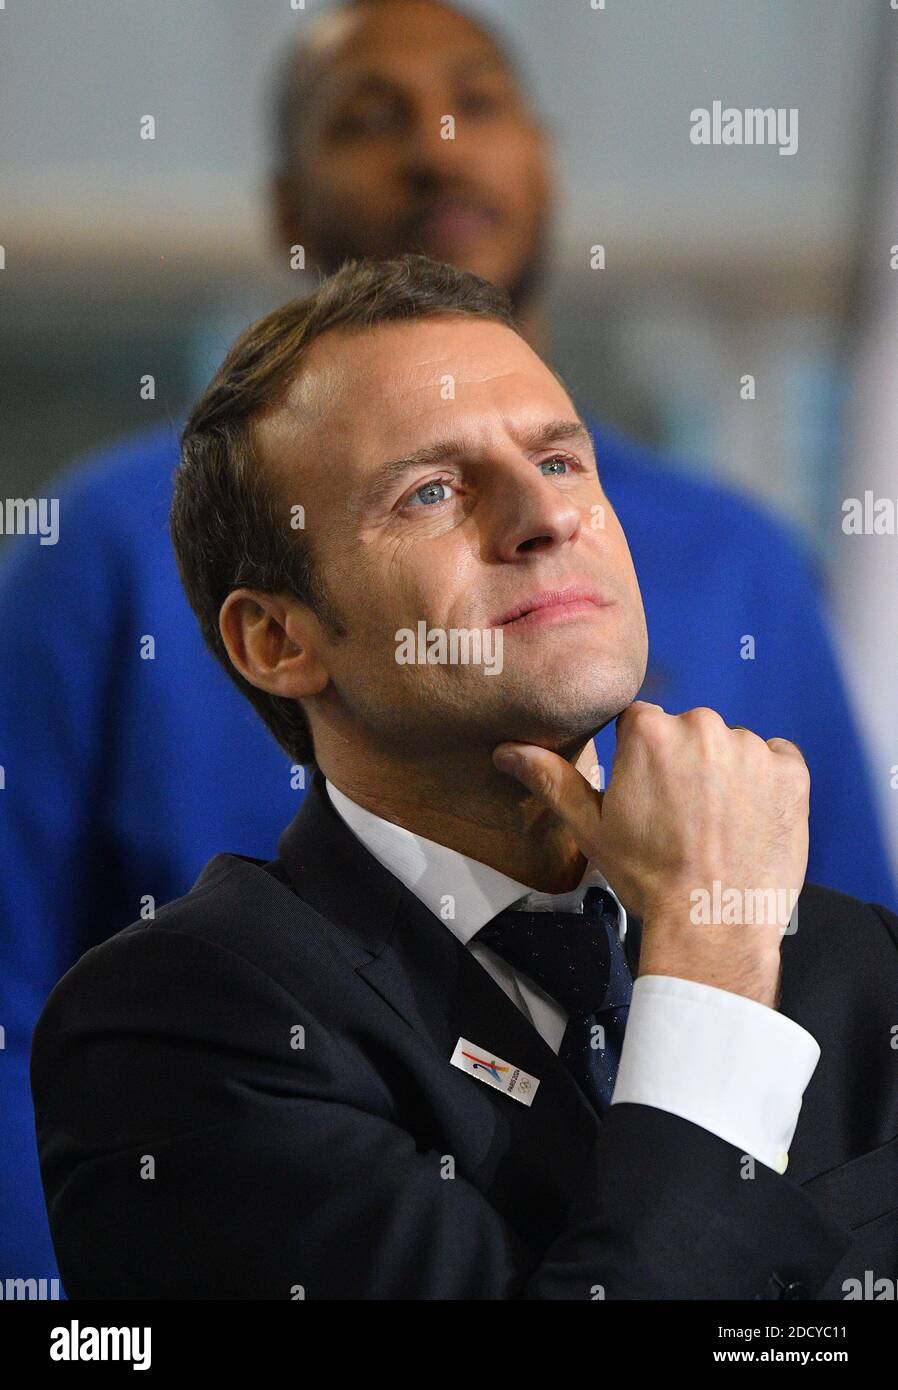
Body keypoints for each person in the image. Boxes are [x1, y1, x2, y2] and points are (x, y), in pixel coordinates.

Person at [5, 0, 895, 1282]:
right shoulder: (188, 1026)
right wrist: (704, 971)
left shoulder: (855, 962)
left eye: (558, 458)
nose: (546, 516)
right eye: (430, 491)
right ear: (274, 640)